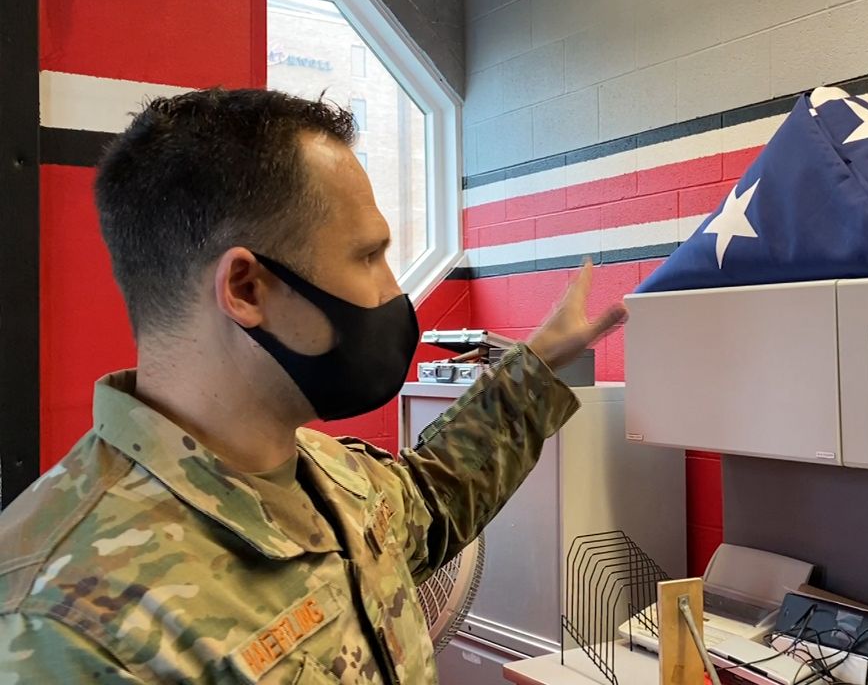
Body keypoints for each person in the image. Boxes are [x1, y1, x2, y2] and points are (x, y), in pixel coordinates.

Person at [0, 88, 626, 684]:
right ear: (246, 289)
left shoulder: (331, 477)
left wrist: (537, 364)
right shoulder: (62, 627)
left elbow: (435, 498)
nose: (392, 292)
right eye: (368, 256)